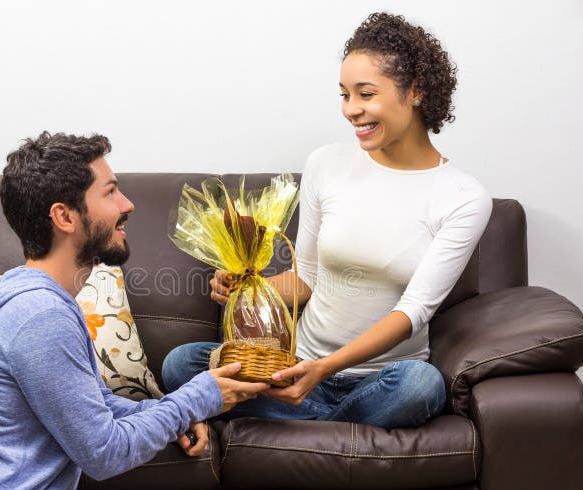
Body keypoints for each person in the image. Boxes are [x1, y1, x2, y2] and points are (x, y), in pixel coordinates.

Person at [0, 132, 269, 490]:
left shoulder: (40, 300)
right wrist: (197, 398)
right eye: (111, 193)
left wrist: (171, 414)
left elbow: (95, 407)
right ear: (65, 217)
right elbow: (104, 452)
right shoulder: (39, 316)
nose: (128, 204)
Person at [162, 12, 492, 429]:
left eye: (365, 94)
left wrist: (324, 369)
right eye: (344, 94)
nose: (351, 110)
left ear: (416, 91)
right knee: (181, 364)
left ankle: (301, 419)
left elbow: (413, 312)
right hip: (296, 365)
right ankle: (337, 423)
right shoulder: (327, 164)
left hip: (382, 379)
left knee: (422, 386)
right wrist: (248, 288)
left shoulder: (463, 197)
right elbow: (308, 279)